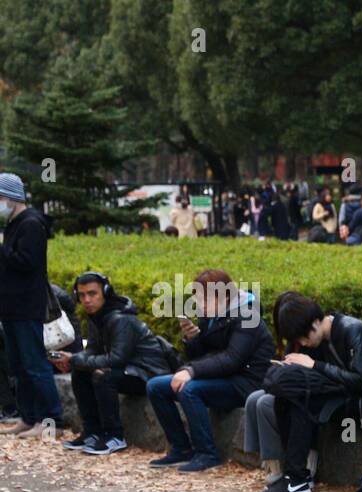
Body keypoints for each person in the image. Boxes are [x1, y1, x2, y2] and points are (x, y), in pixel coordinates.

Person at [258, 293, 362, 492]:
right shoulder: (322, 337)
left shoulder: (352, 329)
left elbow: (357, 380)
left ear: (315, 322)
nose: (303, 343)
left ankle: (297, 478)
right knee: (288, 397)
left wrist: (313, 365)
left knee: (301, 401)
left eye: (303, 337)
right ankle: (297, 477)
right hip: (347, 397)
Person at [146, 269, 273, 471]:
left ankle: (207, 453)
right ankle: (181, 449)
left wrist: (191, 371)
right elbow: (203, 355)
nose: (200, 304)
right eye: (197, 299)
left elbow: (232, 359)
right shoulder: (212, 314)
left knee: (189, 389)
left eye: (204, 299)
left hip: (245, 382)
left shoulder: (249, 316)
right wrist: (192, 338)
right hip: (220, 377)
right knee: (156, 386)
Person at [56, 272, 172, 455]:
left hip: (146, 373)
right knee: (80, 371)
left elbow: (117, 358)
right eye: (82, 295)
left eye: (92, 294)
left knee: (104, 376)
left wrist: (75, 359)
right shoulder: (97, 316)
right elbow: (93, 350)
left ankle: (114, 436)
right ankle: (92, 432)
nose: (86, 300)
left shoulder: (120, 319)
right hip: (127, 370)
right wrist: (73, 359)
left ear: (106, 292)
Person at [0, 173, 62, 439]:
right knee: (19, 366)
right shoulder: (15, 223)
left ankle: (50, 421)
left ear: (12, 198)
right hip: (11, 306)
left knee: (35, 364)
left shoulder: (32, 224)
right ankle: (29, 417)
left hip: (26, 305)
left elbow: (26, 262)